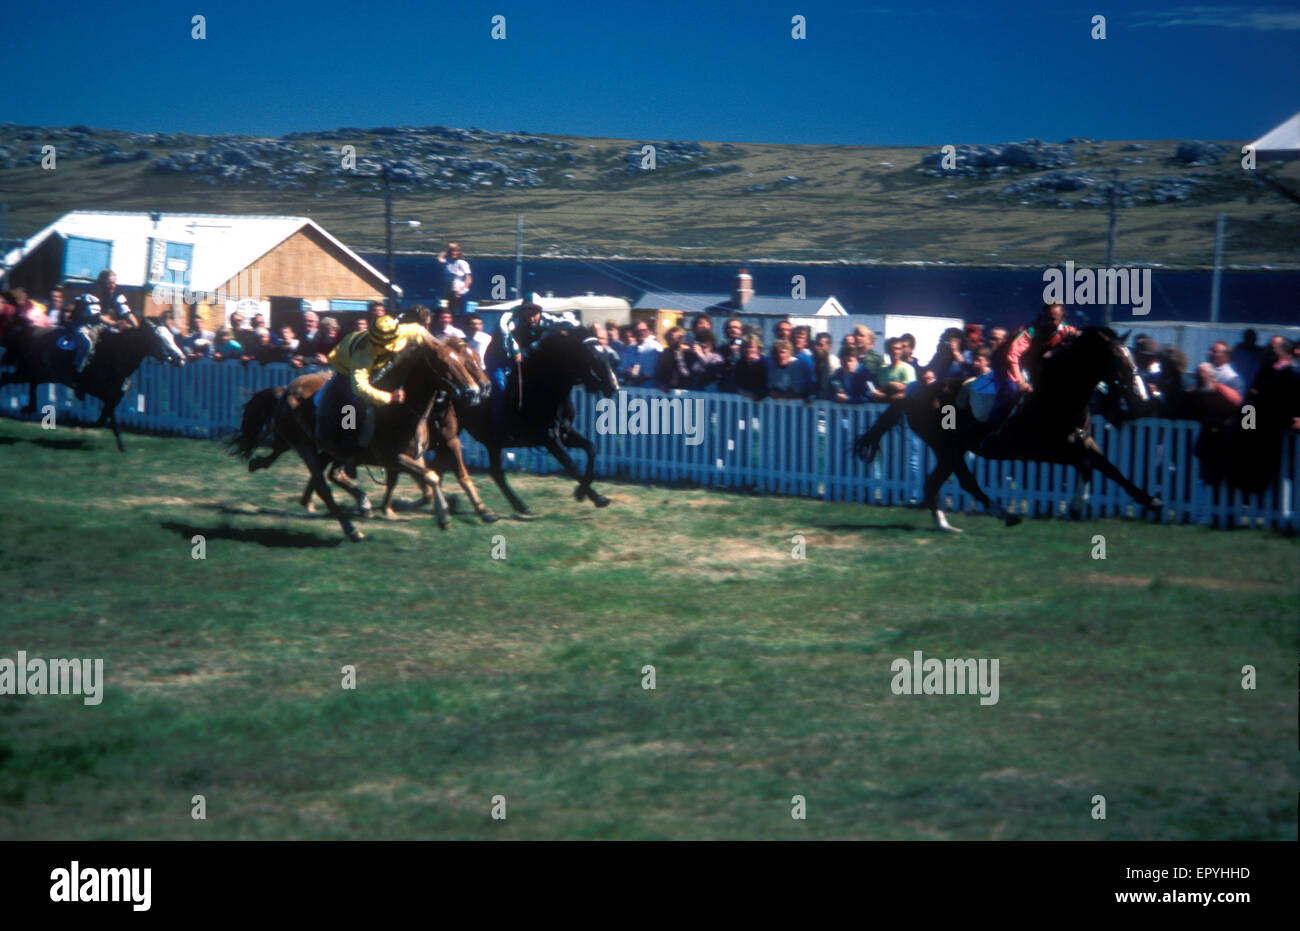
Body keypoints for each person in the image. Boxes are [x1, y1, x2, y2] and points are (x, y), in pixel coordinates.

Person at [318, 313, 435, 465]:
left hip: (376, 366)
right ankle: (347, 448)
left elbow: (426, 336)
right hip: (347, 369)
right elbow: (359, 387)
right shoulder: (363, 353)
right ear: (378, 342)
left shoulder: (406, 330)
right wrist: (389, 397)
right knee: (351, 405)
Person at [486, 298, 578, 421]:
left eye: (535, 314)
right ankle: (498, 427)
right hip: (498, 356)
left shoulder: (546, 318)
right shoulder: (510, 318)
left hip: (521, 354)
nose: (532, 318)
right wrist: (516, 350)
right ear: (523, 311)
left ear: (540, 312)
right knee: (501, 387)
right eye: (528, 314)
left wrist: (568, 329)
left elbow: (570, 323)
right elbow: (506, 334)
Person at [437, 242, 472, 314]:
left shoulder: (462, 263)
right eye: (452, 251)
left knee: (461, 312)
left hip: (460, 292)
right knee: (448, 311)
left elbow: (469, 279)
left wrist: (462, 290)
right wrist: (447, 249)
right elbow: (439, 258)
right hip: (449, 291)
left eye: (456, 251)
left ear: (459, 252)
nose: (454, 253)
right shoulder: (448, 261)